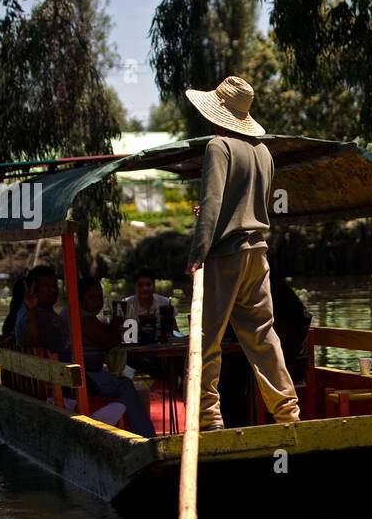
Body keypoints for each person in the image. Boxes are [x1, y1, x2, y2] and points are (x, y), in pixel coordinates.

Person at [184, 75, 300, 431]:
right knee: (263, 336)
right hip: (257, 253)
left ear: (219, 110)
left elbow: (214, 202)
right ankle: (288, 413)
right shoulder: (263, 152)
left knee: (206, 337)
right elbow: (253, 204)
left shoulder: (218, 147)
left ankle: (208, 418)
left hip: (226, 253)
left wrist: (197, 253)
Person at [15, 267, 156, 437]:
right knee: (124, 384)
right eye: (46, 286)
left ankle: (125, 428)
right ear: (32, 289)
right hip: (71, 381)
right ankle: (146, 438)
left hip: (65, 376)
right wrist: (118, 318)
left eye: (54, 285)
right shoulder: (37, 313)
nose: (53, 290)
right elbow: (29, 342)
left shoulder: (45, 312)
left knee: (122, 376)